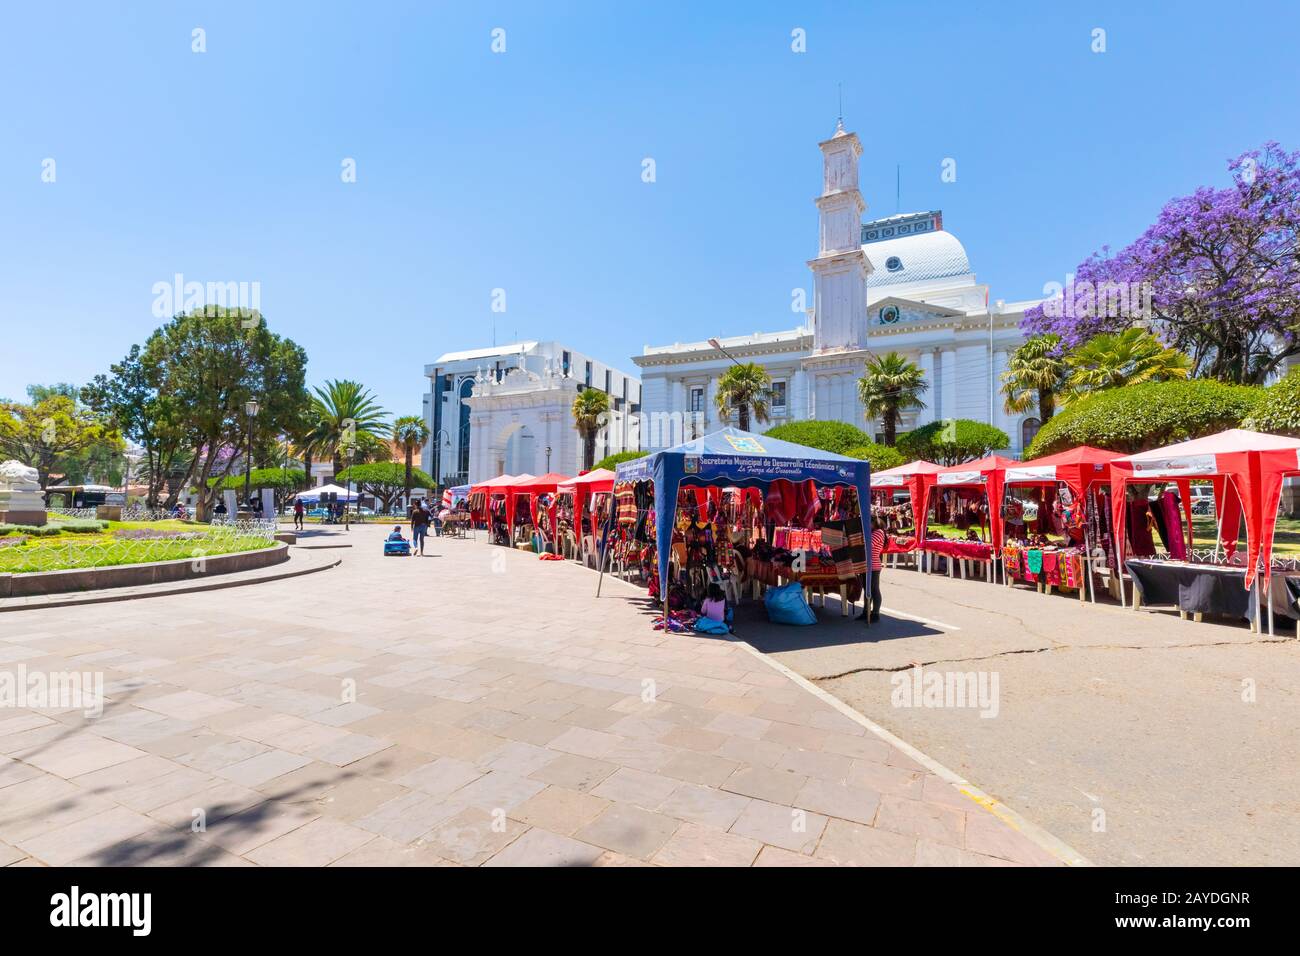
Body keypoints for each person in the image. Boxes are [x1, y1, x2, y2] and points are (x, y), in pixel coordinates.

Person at [866, 516, 886, 625]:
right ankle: (866, 611)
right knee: (867, 589)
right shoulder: (873, 532)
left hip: (874, 565)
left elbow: (868, 545)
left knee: (874, 589)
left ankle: (876, 613)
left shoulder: (878, 532)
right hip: (867, 565)